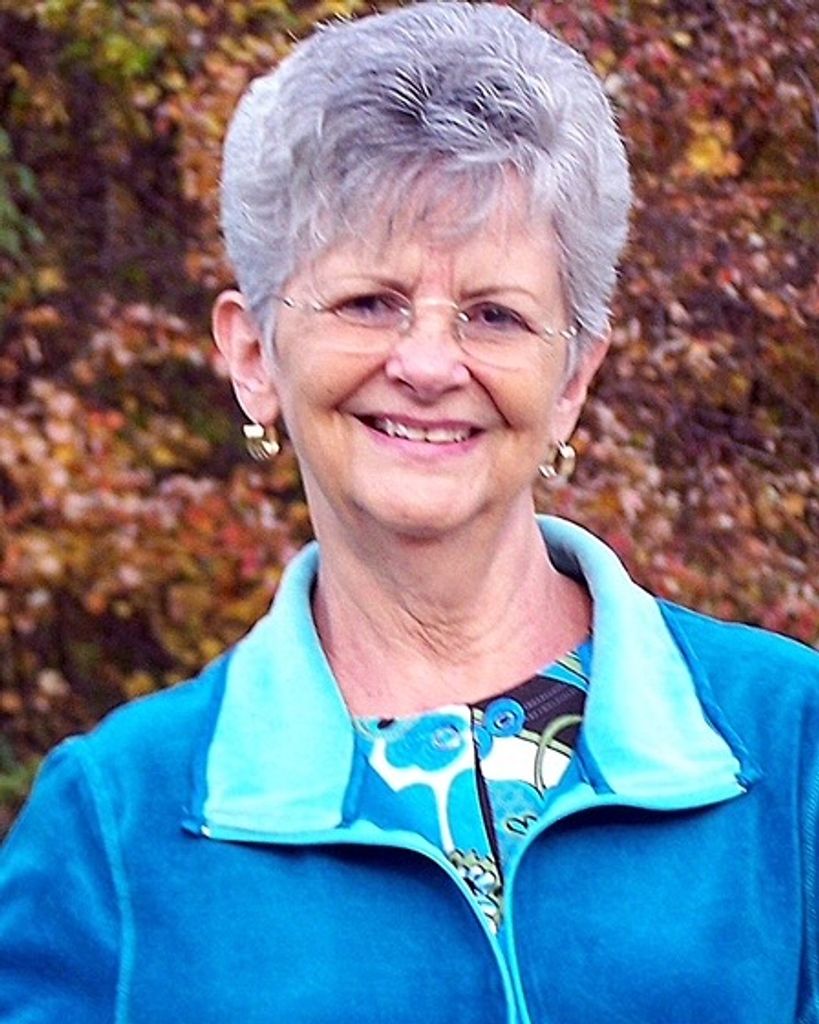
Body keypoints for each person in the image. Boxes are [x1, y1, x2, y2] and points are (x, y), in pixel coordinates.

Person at [1, 3, 817, 1021]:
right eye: (369, 302)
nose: (429, 364)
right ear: (253, 356)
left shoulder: (790, 746)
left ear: (572, 379)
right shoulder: (115, 830)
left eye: (495, 314)